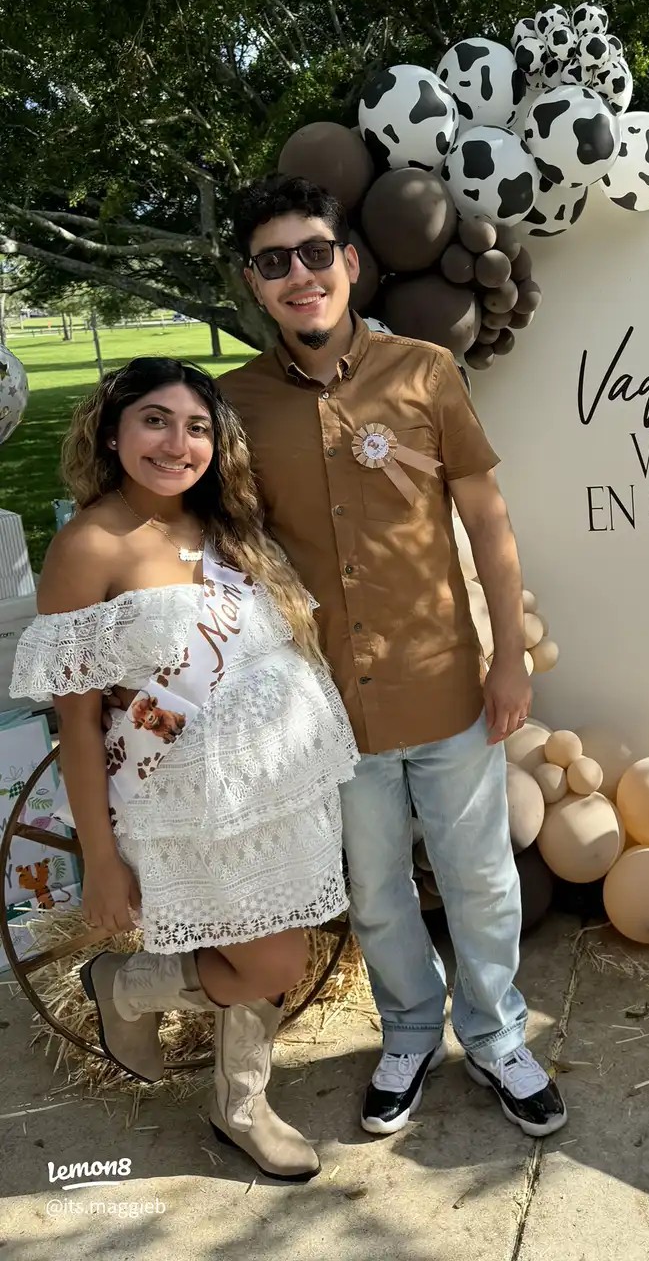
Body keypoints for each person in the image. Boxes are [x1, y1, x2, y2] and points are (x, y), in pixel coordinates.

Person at [220, 174, 566, 1139]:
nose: (301, 275)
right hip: (328, 706)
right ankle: (410, 1029)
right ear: (255, 284)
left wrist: (508, 659)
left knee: (481, 878)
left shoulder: (425, 372)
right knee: (374, 891)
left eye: (315, 253)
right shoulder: (235, 407)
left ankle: (497, 1035)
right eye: (275, 261)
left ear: (351, 263)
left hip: (446, 683)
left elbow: (487, 521)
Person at [10, 358, 359, 1182]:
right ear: (112, 431)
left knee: (285, 948)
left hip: (277, 788)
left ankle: (240, 1103)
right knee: (269, 965)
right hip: (185, 805)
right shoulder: (88, 545)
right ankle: (125, 988)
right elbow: (81, 722)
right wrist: (100, 858)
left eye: (197, 426)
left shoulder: (230, 525)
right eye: (155, 421)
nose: (178, 442)